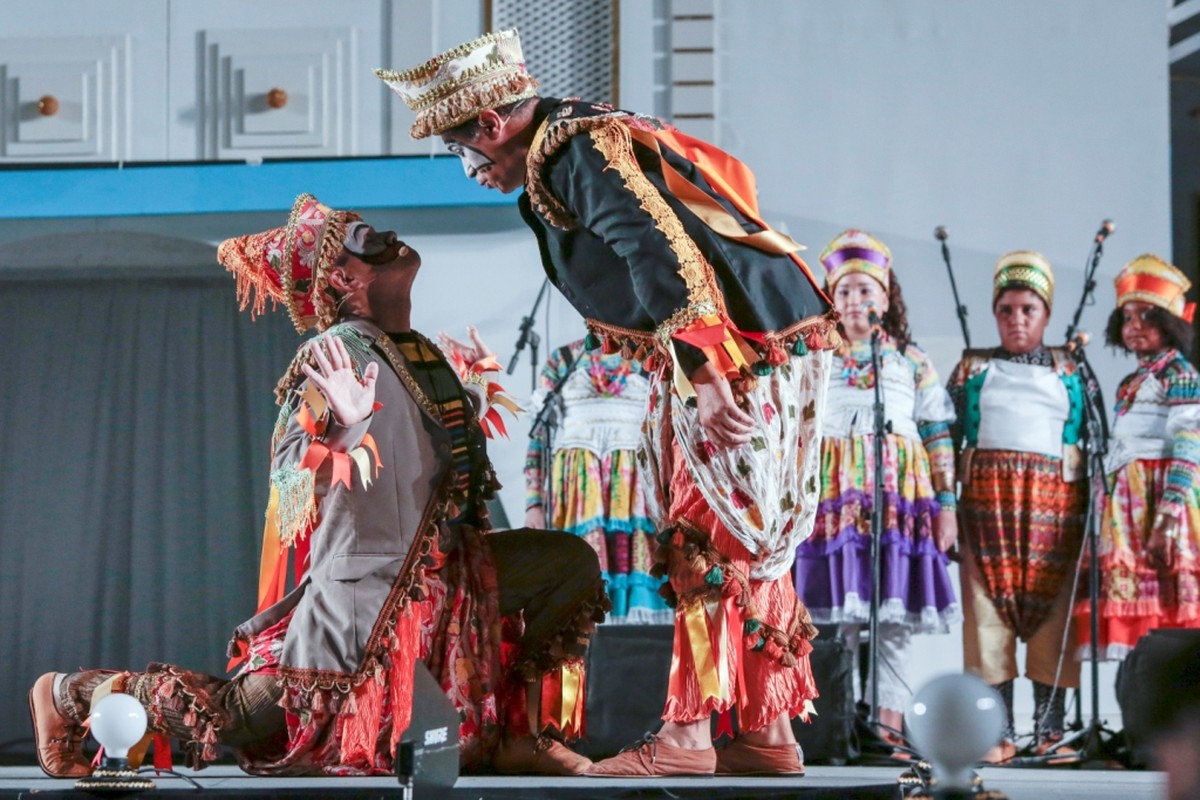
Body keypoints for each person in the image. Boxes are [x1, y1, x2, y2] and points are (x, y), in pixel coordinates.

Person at [377, 28, 838, 777]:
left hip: (724, 353)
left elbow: (658, 250)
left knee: (703, 536)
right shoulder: (587, 131)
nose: (469, 169)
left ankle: (687, 740)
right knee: (743, 538)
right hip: (748, 346)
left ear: (493, 125)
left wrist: (706, 371)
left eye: (465, 151)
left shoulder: (571, 151)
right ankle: (767, 731)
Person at [28, 194, 608, 778]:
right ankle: (69, 694)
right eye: (363, 236)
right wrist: (346, 429)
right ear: (342, 276)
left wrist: (470, 406)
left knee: (568, 564)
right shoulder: (331, 351)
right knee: (234, 718)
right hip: (366, 598)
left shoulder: (418, 349)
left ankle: (520, 734)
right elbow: (288, 469)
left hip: (448, 576)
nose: (387, 233)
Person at [793, 230, 960, 750]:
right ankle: (839, 724)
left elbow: (936, 433)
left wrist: (947, 504)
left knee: (892, 617)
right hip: (834, 500)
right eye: (843, 292)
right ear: (829, 299)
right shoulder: (813, 356)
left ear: (886, 299)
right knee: (842, 614)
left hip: (898, 501)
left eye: (866, 291)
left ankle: (888, 725)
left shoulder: (910, 358)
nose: (854, 301)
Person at [947, 251, 1095, 763]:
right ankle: (997, 731)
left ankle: (1051, 730)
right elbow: (947, 436)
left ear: (1047, 314)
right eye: (1006, 309)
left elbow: (1096, 443)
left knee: (1056, 618)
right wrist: (945, 505)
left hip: (1057, 514)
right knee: (986, 619)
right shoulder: (971, 366)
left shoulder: (1073, 367)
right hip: (985, 513)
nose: (1016, 319)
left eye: (1028, 309)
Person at [1073, 254, 1200, 659]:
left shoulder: (1179, 374)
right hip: (1127, 506)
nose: (1134, 328)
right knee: (1138, 627)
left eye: (1146, 317)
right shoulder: (1134, 380)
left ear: (1171, 322)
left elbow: (1188, 444)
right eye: (1127, 319)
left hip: (1161, 505)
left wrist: (1168, 516)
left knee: (1166, 615)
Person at [524, 339, 671, 624]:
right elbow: (538, 439)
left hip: (633, 490)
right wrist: (534, 503)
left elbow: (665, 429)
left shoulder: (649, 355)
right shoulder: (563, 360)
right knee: (582, 575)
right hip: (580, 492)